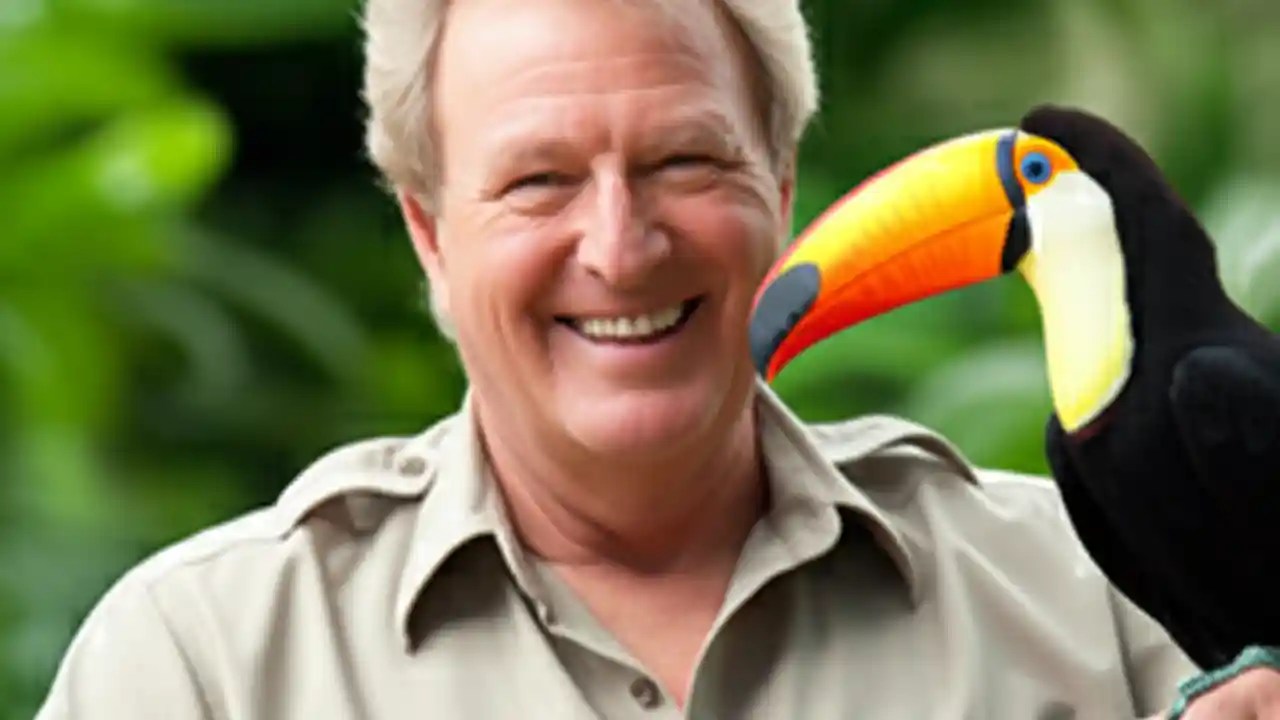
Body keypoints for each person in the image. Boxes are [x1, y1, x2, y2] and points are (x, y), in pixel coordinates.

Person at [34, 0, 1280, 717]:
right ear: (427, 234)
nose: (621, 248)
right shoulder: (201, 660)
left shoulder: (1103, 598)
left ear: (782, 191)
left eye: (687, 161)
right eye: (537, 183)